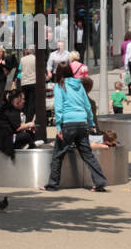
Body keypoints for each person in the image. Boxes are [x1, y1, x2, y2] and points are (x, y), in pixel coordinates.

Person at [41, 63, 108, 192]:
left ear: (58, 73)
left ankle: (53, 184)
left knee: (58, 155)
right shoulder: (79, 85)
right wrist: (91, 123)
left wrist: (59, 126)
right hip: (82, 123)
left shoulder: (59, 86)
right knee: (87, 154)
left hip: (68, 123)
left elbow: (59, 108)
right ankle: (100, 182)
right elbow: (87, 105)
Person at [0, 89, 38, 157]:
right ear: (17, 100)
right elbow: (18, 128)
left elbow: (14, 127)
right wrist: (29, 124)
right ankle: (28, 146)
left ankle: (26, 145)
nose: (24, 101)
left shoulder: (9, 108)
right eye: (23, 99)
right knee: (27, 136)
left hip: (3, 138)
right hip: (0, 140)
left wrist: (27, 128)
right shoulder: (10, 110)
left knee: (29, 134)